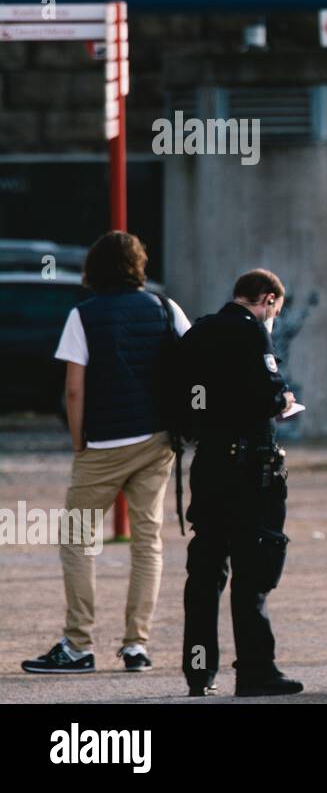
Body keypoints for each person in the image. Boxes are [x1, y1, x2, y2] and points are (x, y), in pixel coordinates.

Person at [23, 232, 190, 676]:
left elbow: (74, 388)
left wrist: (78, 443)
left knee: (77, 541)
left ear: (94, 267)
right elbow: (192, 363)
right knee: (147, 541)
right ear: (139, 265)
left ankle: (78, 645)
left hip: (101, 444)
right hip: (155, 441)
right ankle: (137, 645)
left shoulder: (83, 315)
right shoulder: (164, 307)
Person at [178, 269, 301, 697]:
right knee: (253, 569)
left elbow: (180, 392)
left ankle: (199, 671)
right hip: (249, 468)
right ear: (267, 299)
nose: (274, 318)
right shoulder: (252, 334)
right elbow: (266, 393)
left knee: (205, 570)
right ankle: (255, 670)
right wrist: (283, 398)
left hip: (208, 461)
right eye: (276, 310)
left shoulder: (199, 331)